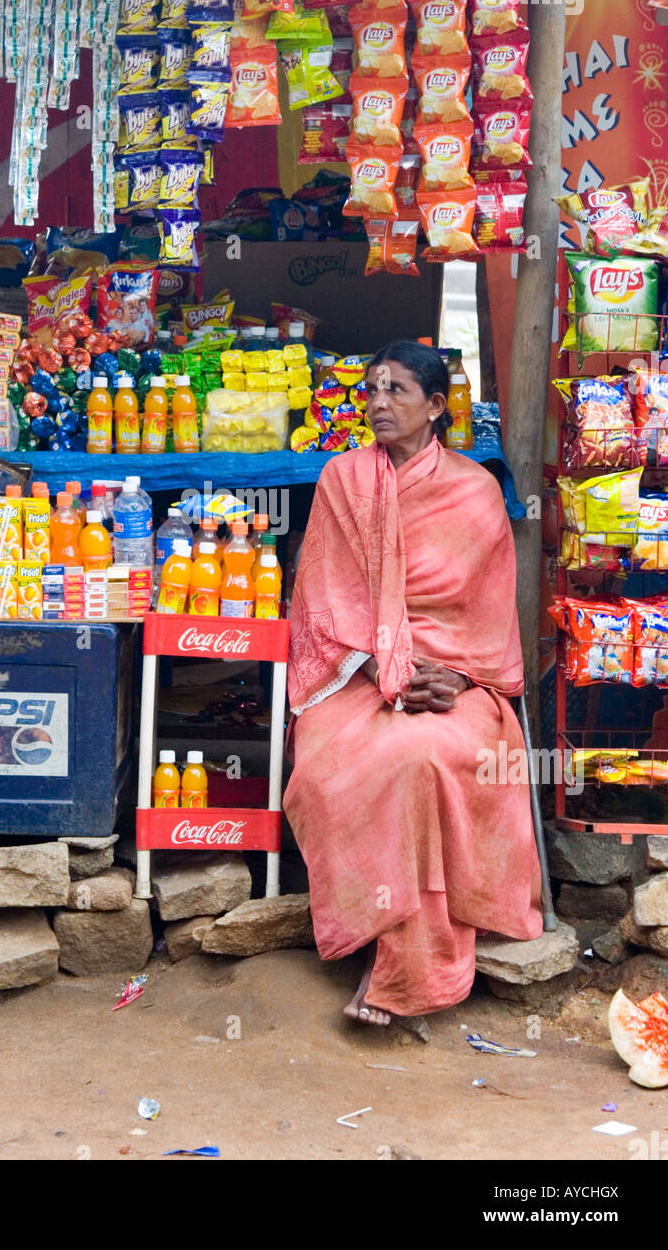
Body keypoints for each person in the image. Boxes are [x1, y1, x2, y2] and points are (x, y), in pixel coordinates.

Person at [285, 340, 542, 1029]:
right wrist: (387, 670)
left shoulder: (476, 490)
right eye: (370, 390)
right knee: (338, 765)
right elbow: (324, 604)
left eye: (395, 391)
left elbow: (489, 618)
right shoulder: (344, 478)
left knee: (425, 756)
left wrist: (452, 678)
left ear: (435, 407)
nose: (376, 403)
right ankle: (389, 941)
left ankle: (402, 961)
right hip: (360, 676)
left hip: (456, 682)